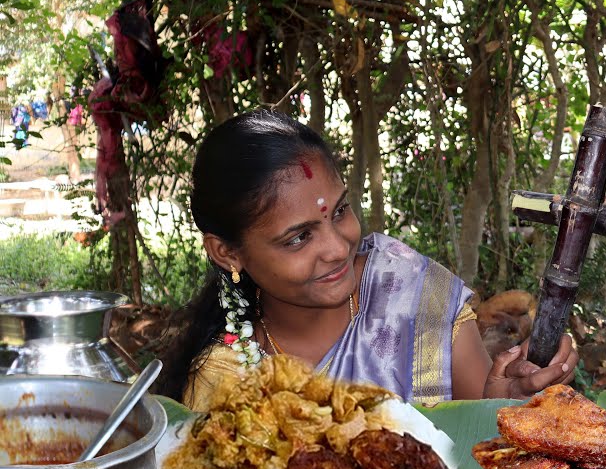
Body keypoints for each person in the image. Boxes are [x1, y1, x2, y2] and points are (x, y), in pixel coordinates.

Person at [157, 109, 578, 411]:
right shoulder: (225, 373)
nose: (338, 248)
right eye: (299, 237)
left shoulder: (415, 296)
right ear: (227, 252)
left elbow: (485, 442)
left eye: (340, 211)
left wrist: (509, 403)